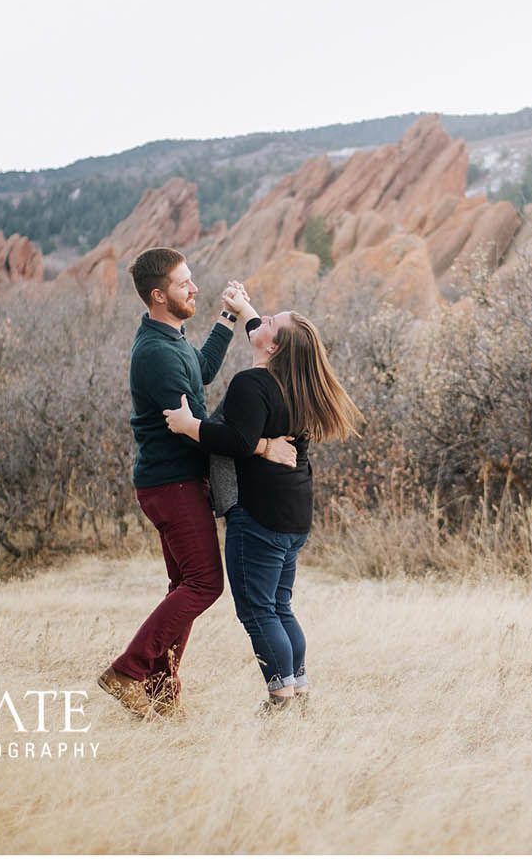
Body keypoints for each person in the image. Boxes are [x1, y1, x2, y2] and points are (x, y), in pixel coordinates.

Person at [98, 253, 282, 721]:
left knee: (184, 583)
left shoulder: (168, 338)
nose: (194, 288)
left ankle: (162, 695)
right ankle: (127, 672)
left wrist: (226, 316)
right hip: (171, 483)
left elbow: (199, 371)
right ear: (159, 295)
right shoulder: (156, 353)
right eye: (184, 284)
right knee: (204, 584)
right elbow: (193, 425)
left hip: (171, 481)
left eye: (192, 280)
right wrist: (259, 446)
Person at [164, 308, 361, 709]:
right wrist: (242, 308)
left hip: (259, 513)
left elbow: (235, 440)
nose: (262, 319)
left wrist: (188, 425)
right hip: (293, 512)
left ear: (273, 346)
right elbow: (265, 332)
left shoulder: (252, 384)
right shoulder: (299, 386)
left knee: (258, 611)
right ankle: (299, 689)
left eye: (270, 321)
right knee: (279, 606)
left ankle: (280, 698)